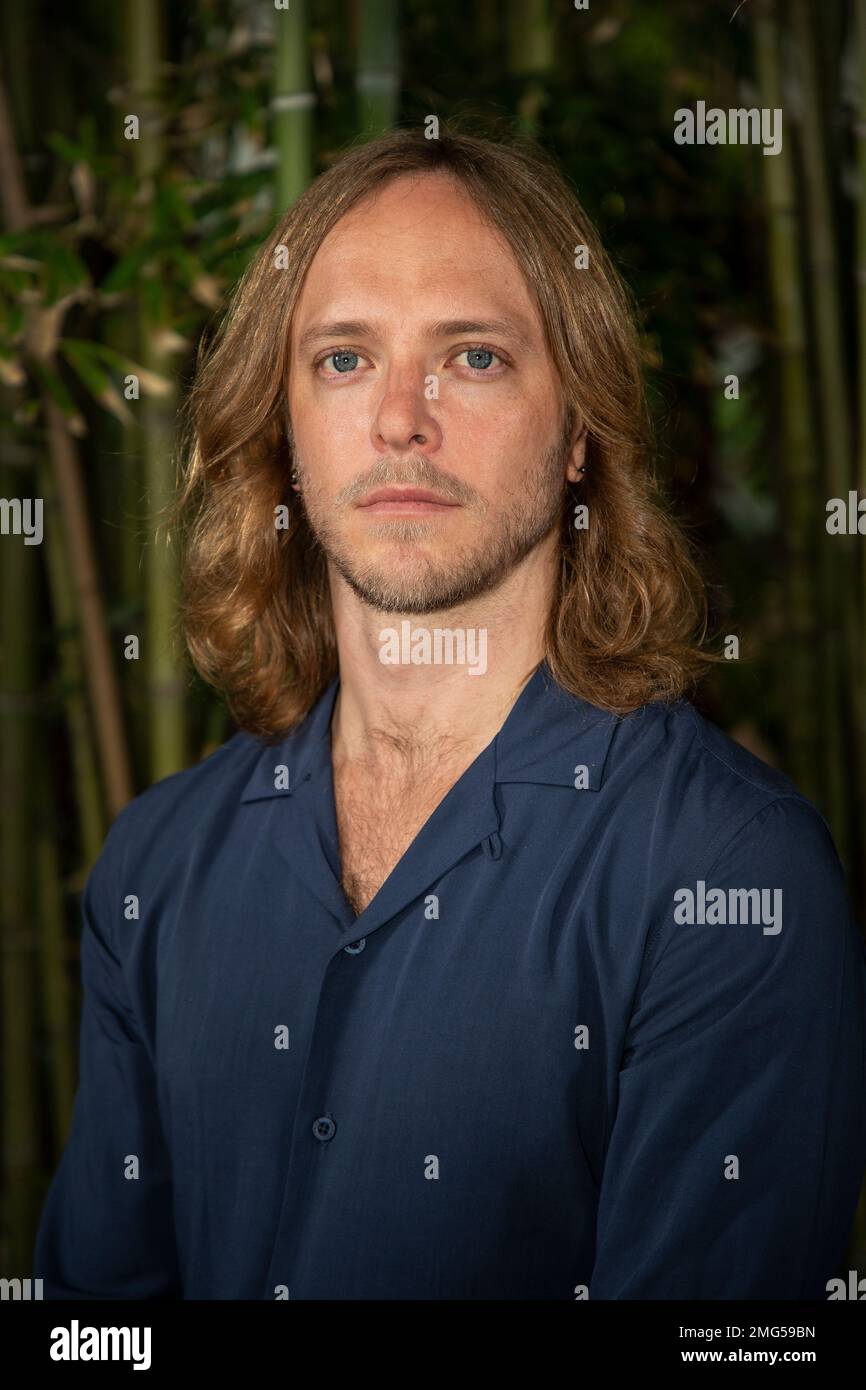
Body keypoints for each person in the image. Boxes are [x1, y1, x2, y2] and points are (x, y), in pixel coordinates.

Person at [35, 127, 866, 1300]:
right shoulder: (159, 863)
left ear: (579, 427)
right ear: (280, 425)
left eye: (471, 358)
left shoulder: (726, 877)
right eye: (341, 360)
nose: (397, 420)